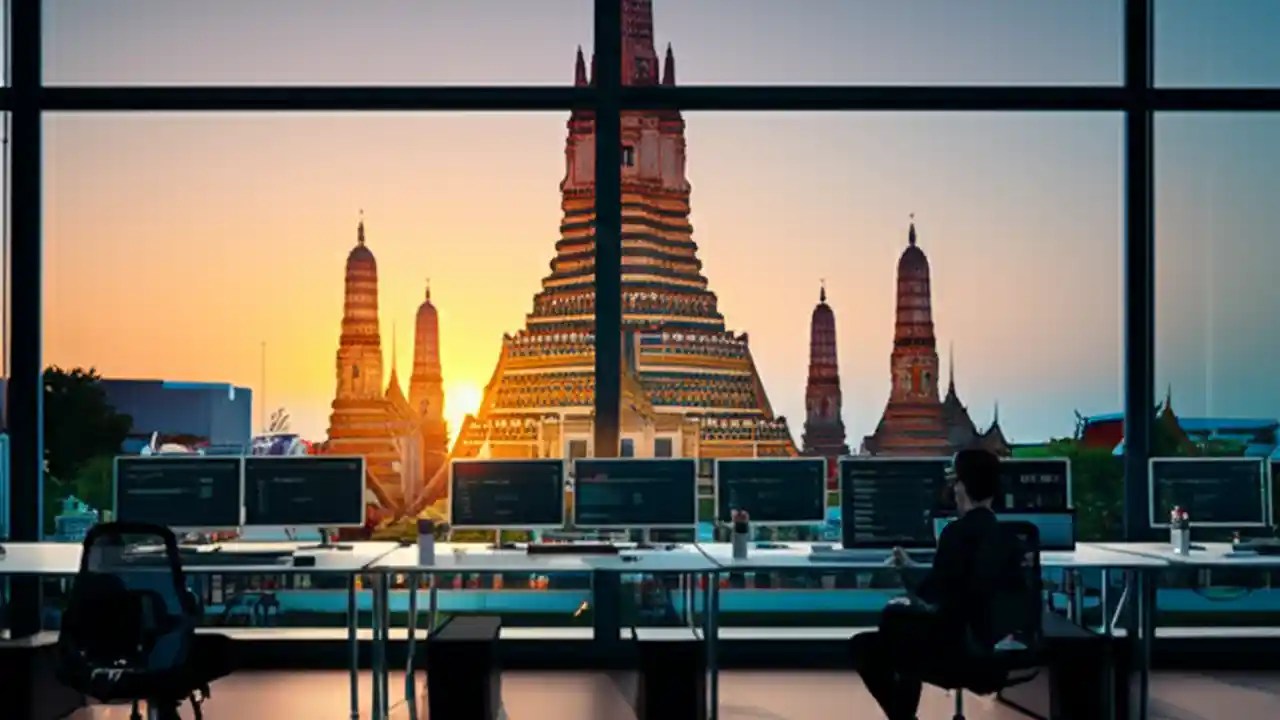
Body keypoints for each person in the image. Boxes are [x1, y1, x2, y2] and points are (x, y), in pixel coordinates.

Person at [850, 448, 1022, 720]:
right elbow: (958, 582)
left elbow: (933, 592)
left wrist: (904, 568)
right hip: (994, 653)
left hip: (955, 655)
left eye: (955, 481)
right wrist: (914, 568)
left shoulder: (955, 532)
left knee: (870, 643)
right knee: (904, 634)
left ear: (961, 486)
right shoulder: (1010, 537)